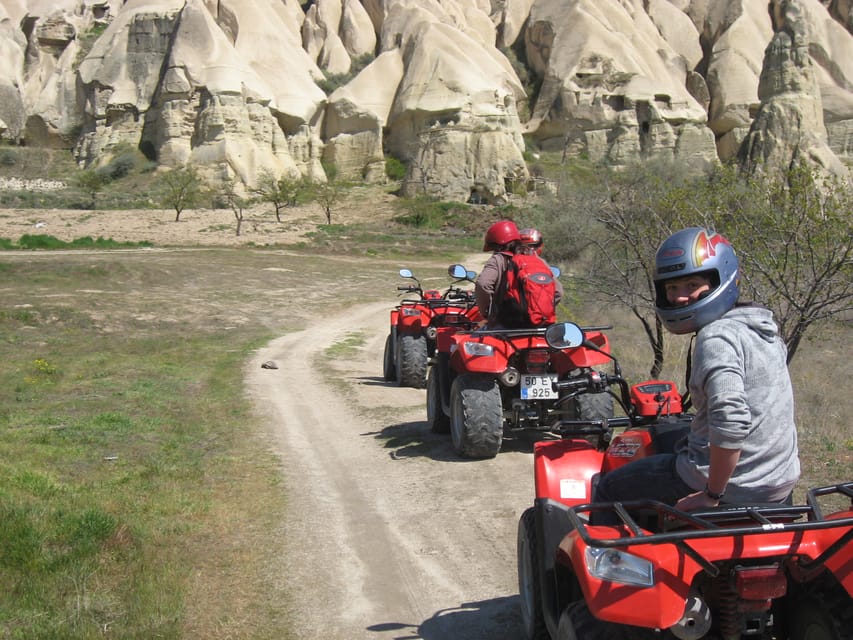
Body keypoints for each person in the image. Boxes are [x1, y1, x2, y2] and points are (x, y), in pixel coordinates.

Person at [593, 227, 800, 520]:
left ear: (721, 279)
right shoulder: (765, 330)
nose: (680, 297)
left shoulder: (717, 336)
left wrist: (712, 494)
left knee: (610, 487)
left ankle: (610, 562)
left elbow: (731, 420)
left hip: (731, 486)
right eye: (672, 288)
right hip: (778, 483)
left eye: (692, 284)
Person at [475, 221, 563, 327]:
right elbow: (558, 291)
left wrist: (488, 313)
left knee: (472, 337)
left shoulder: (498, 260)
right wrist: (539, 310)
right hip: (540, 326)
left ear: (497, 246)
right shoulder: (536, 259)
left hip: (506, 325)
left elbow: (483, 284)